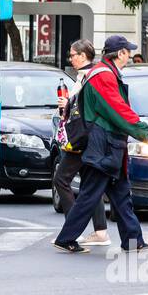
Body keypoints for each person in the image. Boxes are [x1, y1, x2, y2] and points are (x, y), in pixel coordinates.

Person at [54, 35, 148, 253]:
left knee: (120, 194)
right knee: (90, 195)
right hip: (104, 146)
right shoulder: (104, 76)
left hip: (109, 146)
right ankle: (66, 238)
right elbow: (117, 109)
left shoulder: (104, 73)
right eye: (127, 51)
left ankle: (133, 239)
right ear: (120, 53)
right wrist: (144, 132)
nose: (129, 55)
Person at [52, 41, 110, 246]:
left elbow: (86, 110)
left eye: (73, 55)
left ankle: (72, 228)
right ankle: (101, 231)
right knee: (89, 185)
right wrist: (66, 105)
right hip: (91, 139)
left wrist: (68, 106)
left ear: (84, 55)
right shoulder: (87, 76)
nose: (71, 59)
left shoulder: (88, 77)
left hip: (82, 139)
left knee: (61, 179)